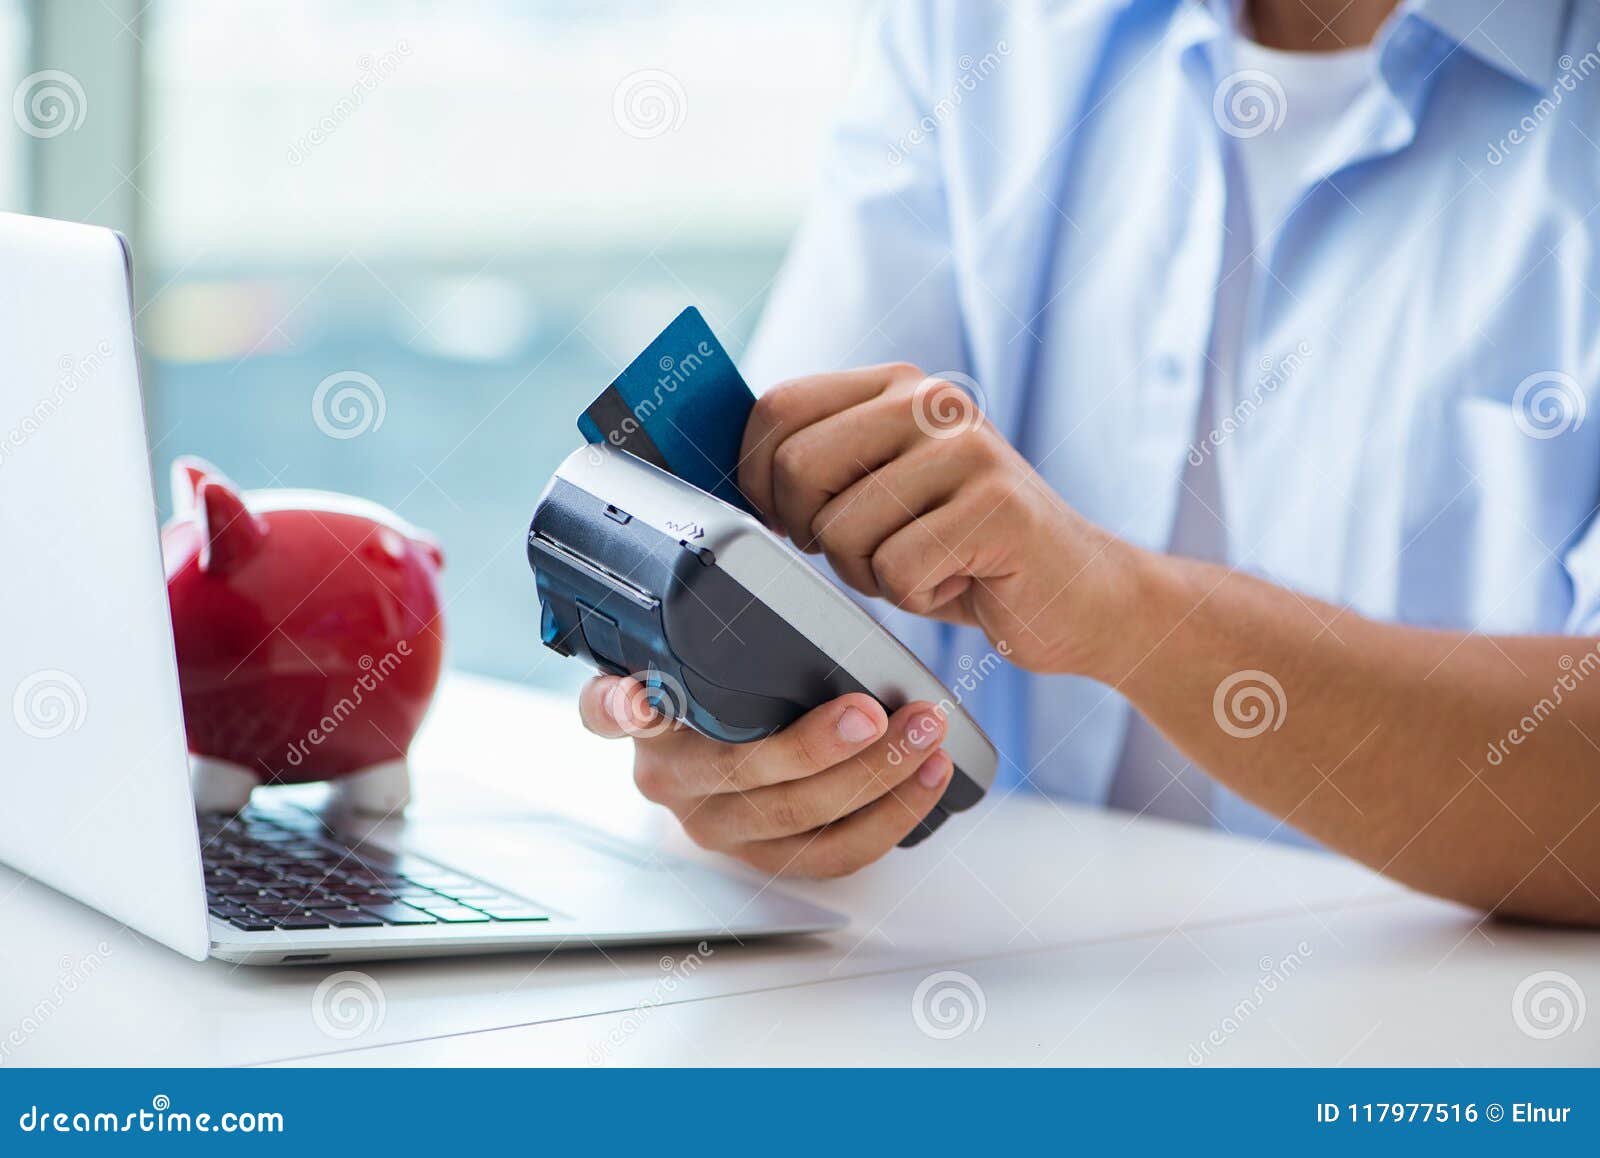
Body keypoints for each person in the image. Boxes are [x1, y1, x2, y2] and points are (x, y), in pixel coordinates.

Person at [579, 0, 1600, 926]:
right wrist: (753, 762)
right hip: (998, 995)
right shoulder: (972, 31)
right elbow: (794, 538)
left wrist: (1125, 613)